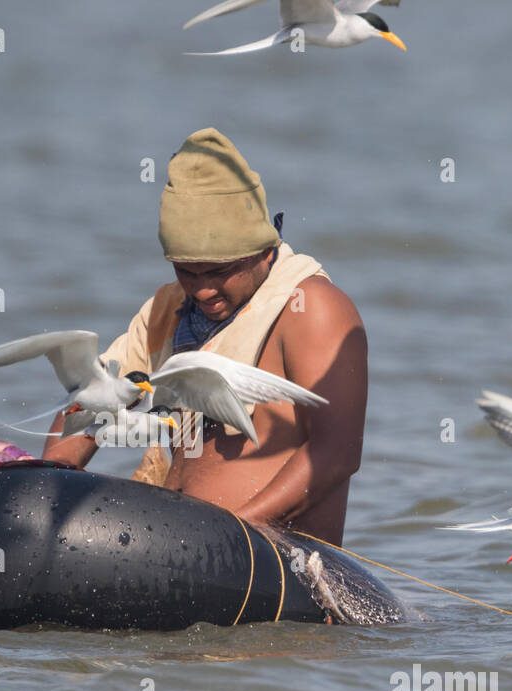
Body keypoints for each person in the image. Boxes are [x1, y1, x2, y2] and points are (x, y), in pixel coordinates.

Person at [43, 128, 368, 545]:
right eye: (187, 271)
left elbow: (337, 454)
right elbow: (91, 404)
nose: (203, 291)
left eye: (218, 272)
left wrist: (229, 535)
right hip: (179, 547)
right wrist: (49, 488)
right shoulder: (170, 308)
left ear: (263, 249)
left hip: (275, 561)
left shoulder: (310, 307)